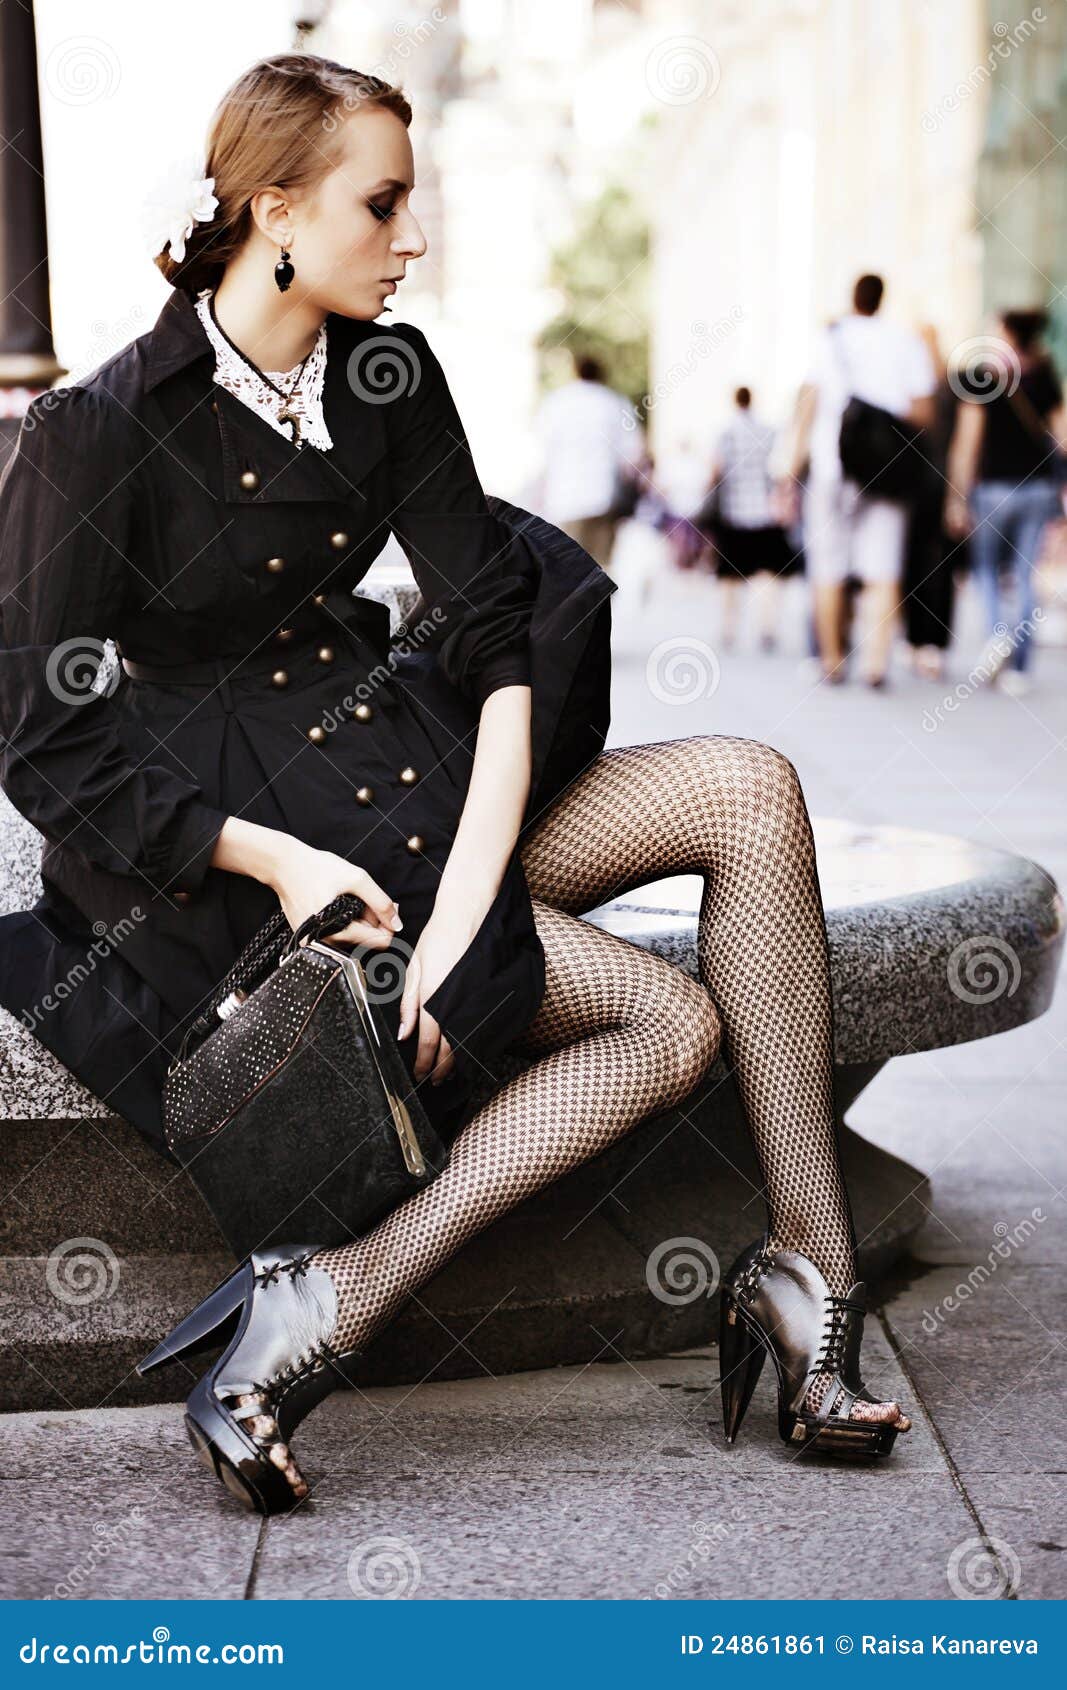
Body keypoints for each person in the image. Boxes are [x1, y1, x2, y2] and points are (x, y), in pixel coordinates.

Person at [0, 54, 910, 1516]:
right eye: (383, 203)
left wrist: (460, 919)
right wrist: (285, 867)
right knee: (668, 1021)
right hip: (228, 856)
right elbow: (45, 741)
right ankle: (325, 1306)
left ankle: (807, 1277)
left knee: (748, 786)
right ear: (273, 207)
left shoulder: (387, 369)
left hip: (404, 781)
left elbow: (494, 636)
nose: (408, 236)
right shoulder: (97, 428)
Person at [790, 275, 937, 686]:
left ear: (852, 298)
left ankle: (832, 661)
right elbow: (924, 412)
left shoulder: (829, 339)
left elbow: (807, 405)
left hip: (831, 467)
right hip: (887, 471)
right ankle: (876, 665)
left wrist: (789, 468)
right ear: (882, 300)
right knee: (883, 567)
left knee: (827, 566)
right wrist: (884, 424)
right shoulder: (906, 342)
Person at [946, 309, 1067, 695]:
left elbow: (968, 442)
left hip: (995, 489)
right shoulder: (1045, 374)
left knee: (985, 569)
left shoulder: (985, 375)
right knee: (1024, 573)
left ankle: (999, 636)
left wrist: (956, 496)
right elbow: (1062, 434)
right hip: (1039, 489)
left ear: (1006, 333)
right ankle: (1020, 668)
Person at [705, 387, 801, 651]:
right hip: (764, 513)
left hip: (733, 514)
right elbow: (780, 469)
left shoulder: (724, 432)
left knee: (729, 577)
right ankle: (767, 628)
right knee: (767, 574)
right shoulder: (768, 430)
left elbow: (715, 471)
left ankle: (728, 628)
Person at [534, 352, 642, 570]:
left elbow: (541, 448)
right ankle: (599, 604)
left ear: (575, 372)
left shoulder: (557, 402)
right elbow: (632, 453)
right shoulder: (614, 402)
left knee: (567, 564)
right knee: (601, 564)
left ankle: (576, 603)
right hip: (604, 494)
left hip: (564, 495)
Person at [902, 327, 962, 682]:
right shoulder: (949, 388)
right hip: (932, 488)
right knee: (935, 565)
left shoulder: (921, 390)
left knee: (925, 564)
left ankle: (922, 643)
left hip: (923, 488)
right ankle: (927, 645)